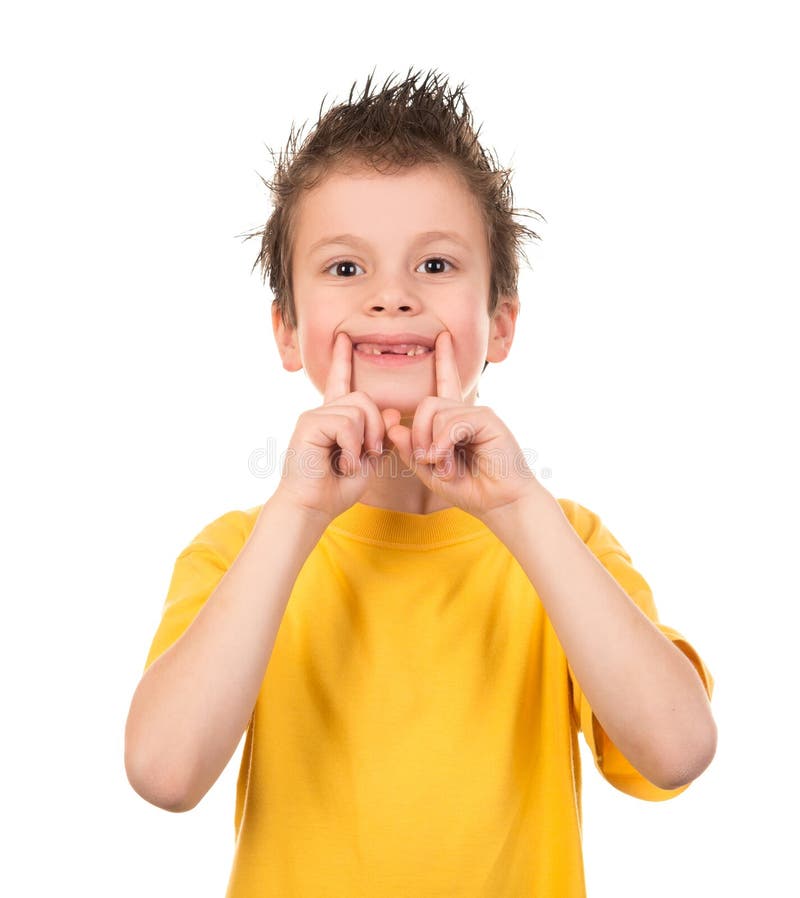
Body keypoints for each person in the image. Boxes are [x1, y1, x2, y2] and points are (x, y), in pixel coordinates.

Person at [124, 69, 716, 897]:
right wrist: (297, 512)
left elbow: (680, 749)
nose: (392, 298)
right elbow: (163, 772)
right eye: (344, 269)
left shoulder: (563, 542)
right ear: (287, 331)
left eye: (435, 263)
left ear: (500, 322)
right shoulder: (237, 553)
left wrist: (519, 506)